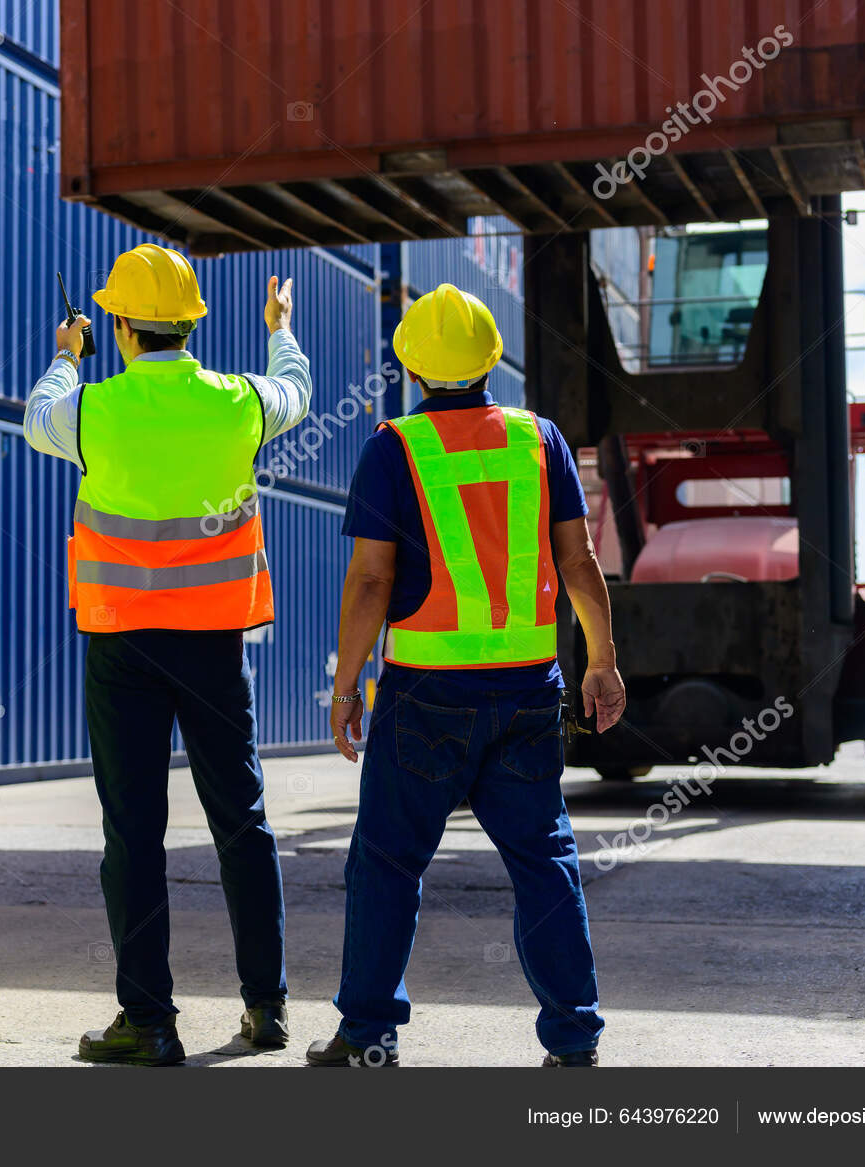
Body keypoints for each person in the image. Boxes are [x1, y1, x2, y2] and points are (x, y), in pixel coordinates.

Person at [307, 283, 624, 1068]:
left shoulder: (395, 447)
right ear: (491, 360)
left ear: (411, 366)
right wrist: (603, 662)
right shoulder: (538, 439)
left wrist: (347, 687)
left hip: (425, 694)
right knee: (544, 860)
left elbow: (371, 582)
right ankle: (575, 1036)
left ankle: (368, 1032)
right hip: (528, 689)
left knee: (387, 860)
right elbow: (578, 560)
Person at [23, 244, 311, 1065]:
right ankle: (267, 1007)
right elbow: (296, 389)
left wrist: (63, 356)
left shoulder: (93, 410)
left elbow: (39, 413)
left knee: (135, 832)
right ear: (191, 324)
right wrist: (279, 330)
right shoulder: (238, 402)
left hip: (122, 645)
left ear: (118, 326)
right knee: (242, 823)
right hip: (215, 641)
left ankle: (147, 1021)